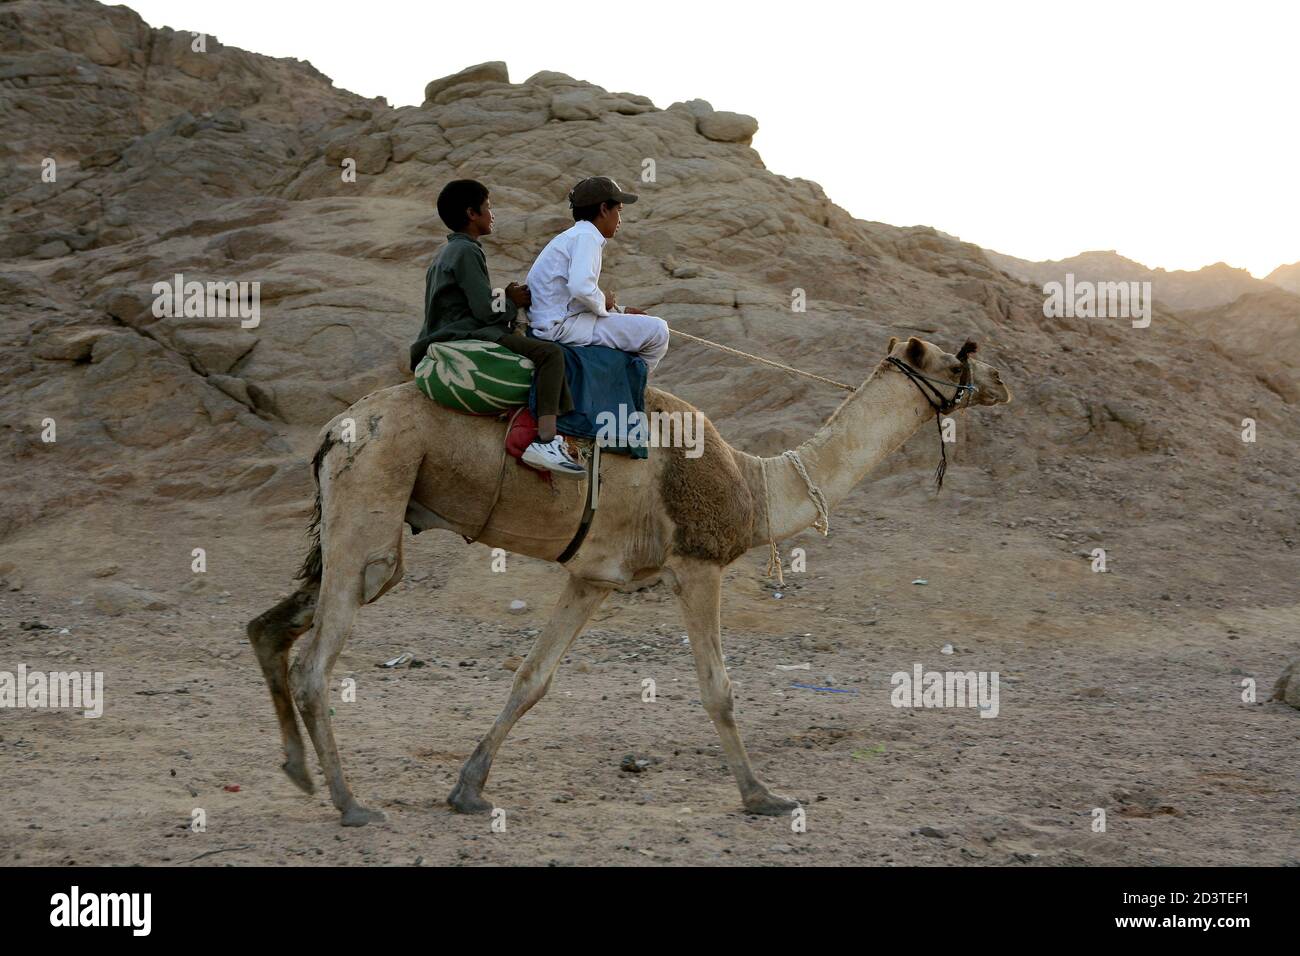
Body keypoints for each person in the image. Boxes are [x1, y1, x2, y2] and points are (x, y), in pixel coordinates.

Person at [411, 179, 583, 476]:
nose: (493, 214)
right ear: (471, 213)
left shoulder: (446, 252)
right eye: (488, 207)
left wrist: (505, 294)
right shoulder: (467, 251)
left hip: (444, 332)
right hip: (463, 334)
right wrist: (513, 301)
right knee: (551, 354)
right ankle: (546, 440)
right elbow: (482, 310)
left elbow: (468, 300)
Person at [525, 177, 670, 372]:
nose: (620, 219)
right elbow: (580, 288)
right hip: (559, 328)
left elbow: (572, 296)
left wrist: (619, 310)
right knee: (658, 331)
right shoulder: (587, 237)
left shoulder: (574, 236)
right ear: (603, 209)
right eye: (618, 211)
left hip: (556, 321)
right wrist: (605, 302)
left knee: (641, 325)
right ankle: (629, 384)